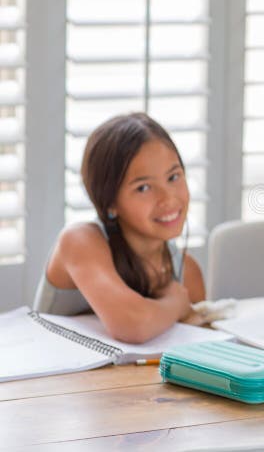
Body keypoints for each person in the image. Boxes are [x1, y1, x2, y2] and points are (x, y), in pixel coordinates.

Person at [33, 113, 205, 343]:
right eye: (143, 188)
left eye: (173, 177)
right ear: (110, 203)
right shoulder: (79, 241)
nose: (168, 199)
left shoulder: (187, 272)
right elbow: (132, 325)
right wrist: (176, 304)